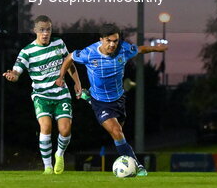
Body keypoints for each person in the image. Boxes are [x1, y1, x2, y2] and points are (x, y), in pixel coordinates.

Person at [55, 24, 167, 177]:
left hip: (119, 100)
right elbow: (69, 57)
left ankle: (87, 97)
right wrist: (61, 77)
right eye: (109, 41)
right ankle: (137, 166)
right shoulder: (89, 53)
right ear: (101, 40)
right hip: (100, 102)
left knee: (119, 134)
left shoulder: (124, 49)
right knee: (116, 131)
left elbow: (140, 49)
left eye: (116, 41)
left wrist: (156, 49)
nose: (113, 44)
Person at [3, 15, 83, 174]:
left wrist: (77, 83)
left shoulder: (58, 44)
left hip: (61, 94)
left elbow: (69, 64)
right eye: (42, 30)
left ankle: (59, 154)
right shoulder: (27, 51)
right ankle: (47, 167)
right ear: (35, 31)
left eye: (48, 30)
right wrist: (13, 76)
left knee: (65, 130)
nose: (45, 33)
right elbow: (17, 70)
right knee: (45, 127)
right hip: (41, 97)